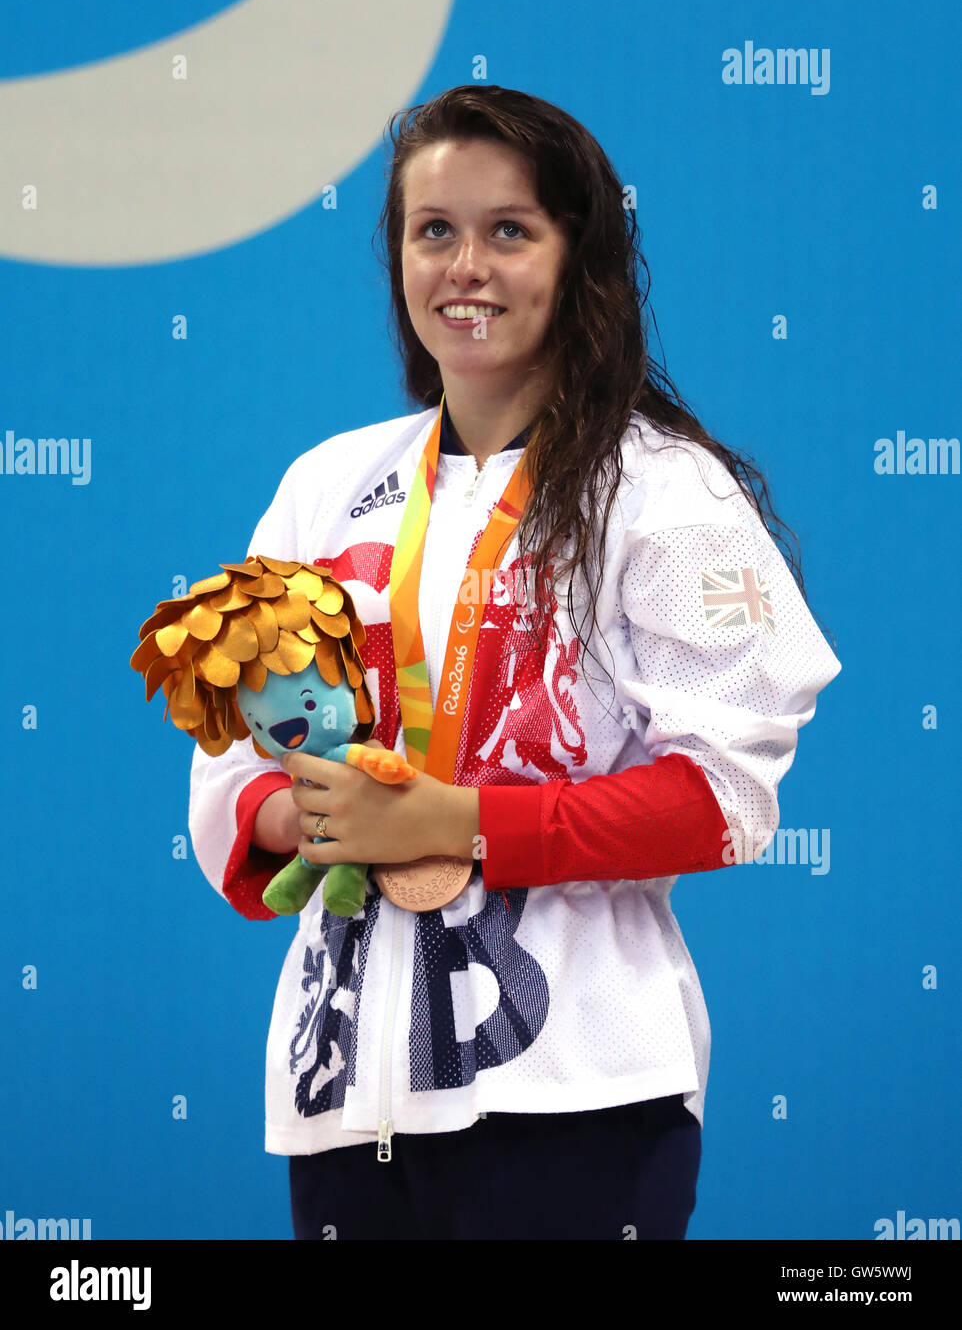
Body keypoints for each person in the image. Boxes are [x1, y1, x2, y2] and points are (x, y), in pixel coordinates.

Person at [188, 85, 842, 1240]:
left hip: (577, 1092)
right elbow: (227, 767)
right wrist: (315, 817)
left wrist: (454, 823)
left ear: (574, 254)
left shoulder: (659, 490)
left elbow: (719, 801)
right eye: (432, 229)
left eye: (508, 230)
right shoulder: (323, 484)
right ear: (395, 254)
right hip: (341, 1089)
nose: (465, 267)